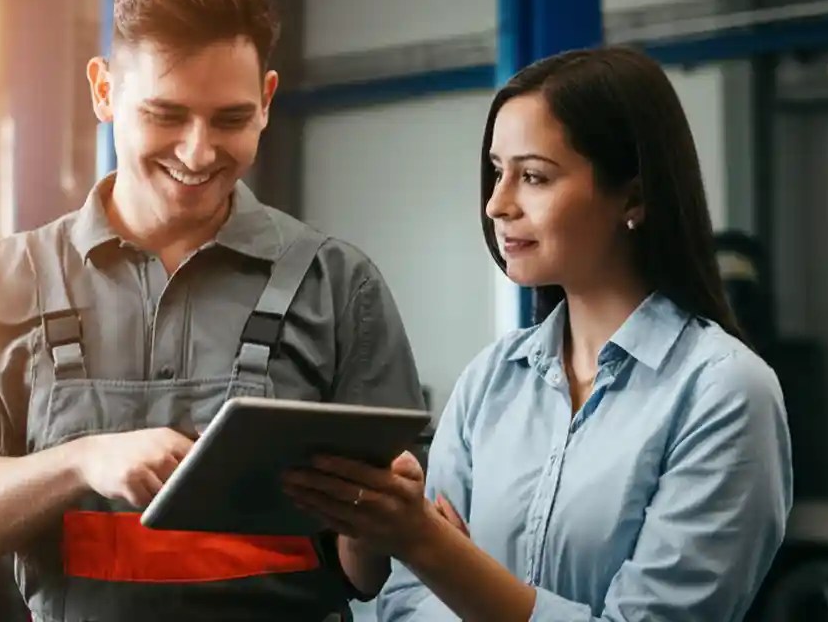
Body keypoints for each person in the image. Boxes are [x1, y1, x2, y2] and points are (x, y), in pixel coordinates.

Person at [0, 0, 426, 622]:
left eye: (230, 119)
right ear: (104, 91)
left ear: (266, 100)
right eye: (165, 114)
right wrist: (81, 461)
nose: (199, 152)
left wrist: (384, 519)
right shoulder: (5, 282)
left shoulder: (338, 285)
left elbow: (369, 572)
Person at [283, 47, 794, 621]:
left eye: (534, 176)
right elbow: (403, 604)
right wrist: (423, 552)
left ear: (633, 195)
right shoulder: (489, 383)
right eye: (497, 172)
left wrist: (431, 546)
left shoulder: (724, 394)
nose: (498, 204)